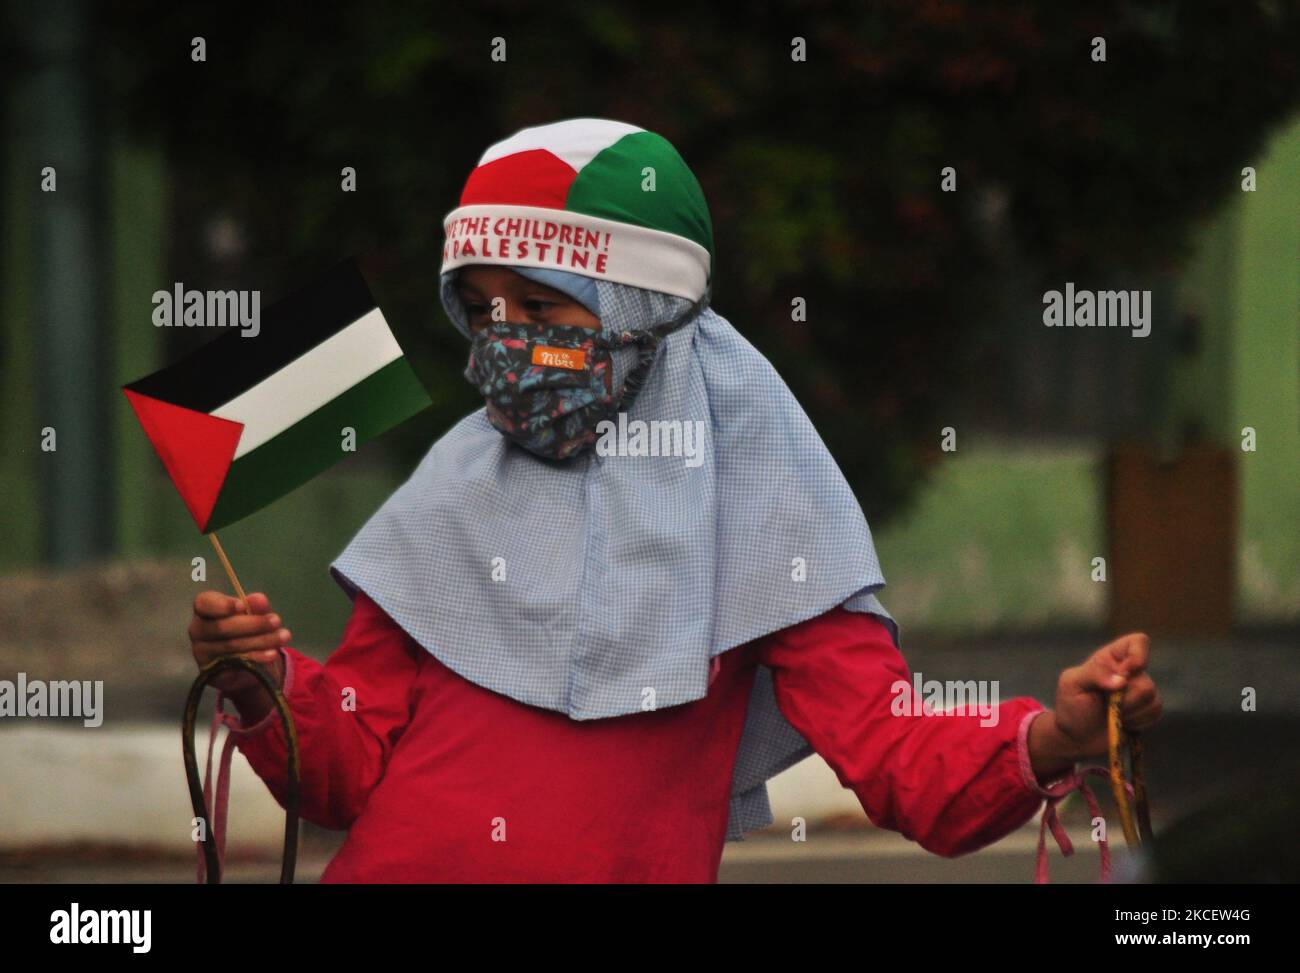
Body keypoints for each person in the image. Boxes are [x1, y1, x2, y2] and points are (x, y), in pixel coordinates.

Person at [187, 118, 1163, 883]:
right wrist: (258, 677)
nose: (504, 338)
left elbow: (896, 750)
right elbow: (342, 772)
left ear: (639, 312)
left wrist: (1052, 738)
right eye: (481, 310)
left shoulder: (759, 502)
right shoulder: (451, 491)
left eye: (539, 307)